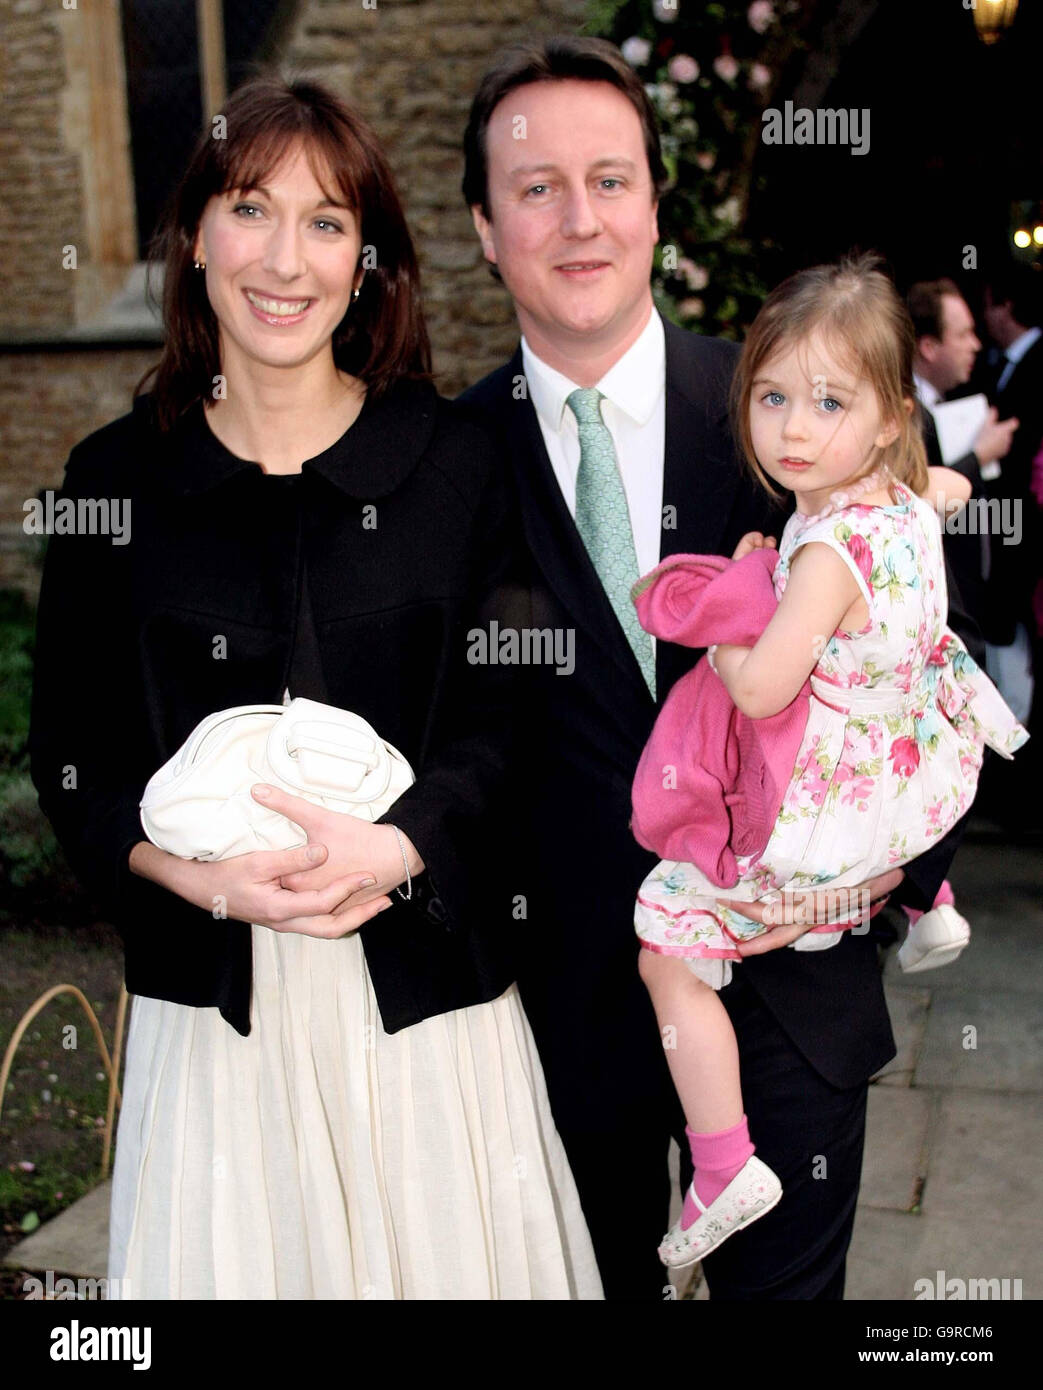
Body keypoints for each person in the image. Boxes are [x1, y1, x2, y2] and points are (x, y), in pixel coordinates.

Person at [28, 74, 602, 1301]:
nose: (285, 258)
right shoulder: (114, 480)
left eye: (327, 220)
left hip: (426, 1017)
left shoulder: (458, 466)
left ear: (367, 260)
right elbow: (70, 746)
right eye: (250, 209)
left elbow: (511, 715)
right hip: (216, 1021)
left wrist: (401, 847)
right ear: (194, 241)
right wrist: (184, 873)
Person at [458, 34, 978, 1300]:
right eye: (536, 189)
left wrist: (883, 867)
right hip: (549, 1019)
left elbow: (910, 649)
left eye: (609, 180)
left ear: (653, 202)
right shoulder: (435, 461)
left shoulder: (790, 413)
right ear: (482, 227)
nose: (578, 220)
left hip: (794, 981)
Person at [633, 256, 1027, 1269]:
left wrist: (722, 627)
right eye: (771, 397)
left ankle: (723, 1167)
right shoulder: (901, 495)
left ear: (889, 415)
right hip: (903, 771)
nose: (793, 428)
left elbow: (761, 688)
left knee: (666, 950)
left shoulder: (820, 554)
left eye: (825, 401)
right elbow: (946, 484)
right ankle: (925, 899)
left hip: (816, 814)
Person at [908, 276, 1017, 631]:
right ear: (928, 346)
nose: (975, 345)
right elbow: (913, 498)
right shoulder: (903, 416)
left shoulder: (942, 407)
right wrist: (980, 456)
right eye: (962, 334)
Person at [980, 262, 1043, 726]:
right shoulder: (1005, 366)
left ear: (1005, 306)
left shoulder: (1040, 363)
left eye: (987, 306)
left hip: (1027, 530)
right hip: (1009, 532)